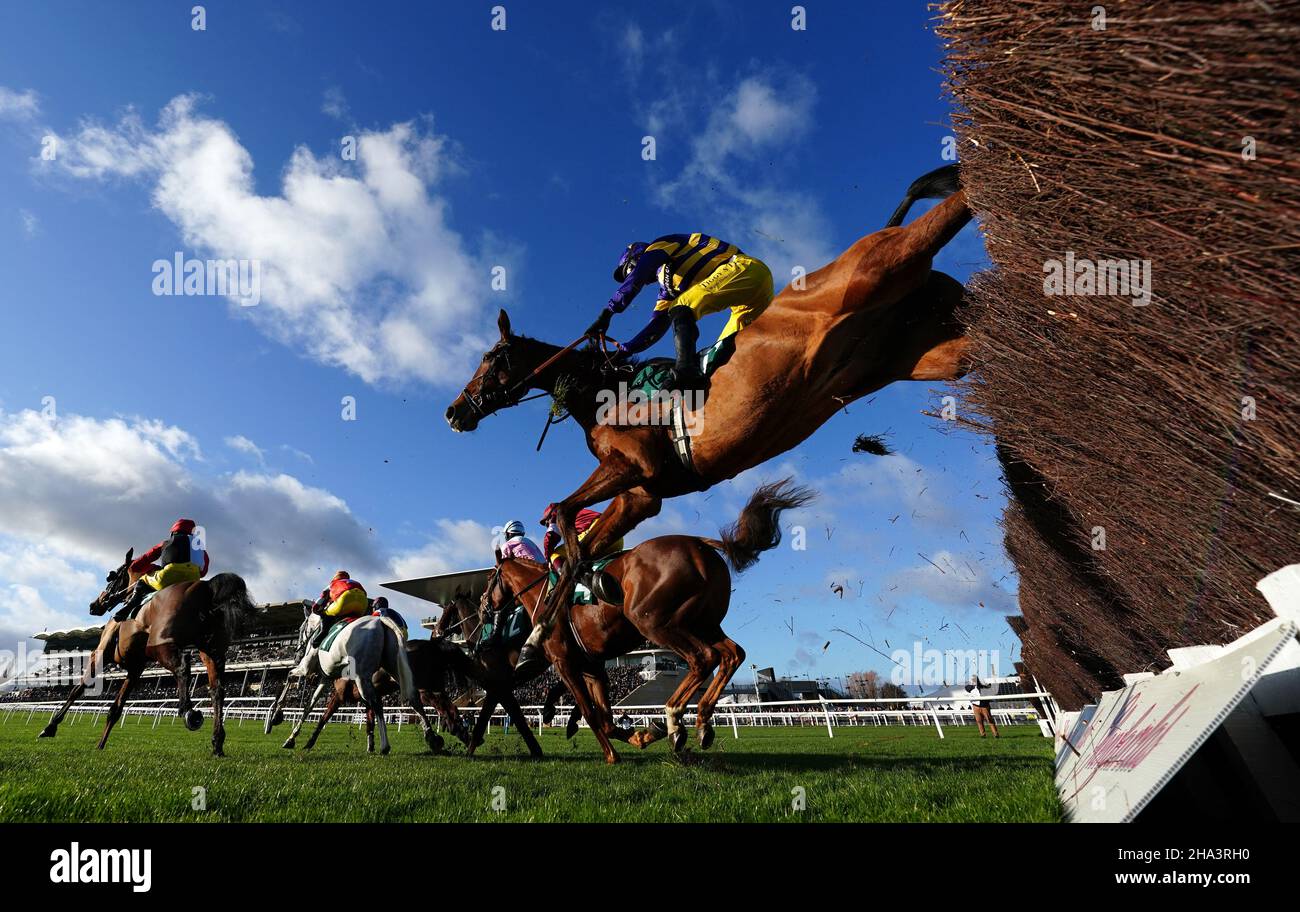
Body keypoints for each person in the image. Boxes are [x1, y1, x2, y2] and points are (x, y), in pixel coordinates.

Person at [586, 233, 774, 391]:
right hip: (752, 298)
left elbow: (638, 276)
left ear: (636, 255)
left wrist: (607, 313)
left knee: (680, 306)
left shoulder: (659, 246)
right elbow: (656, 326)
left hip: (744, 268)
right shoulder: (667, 289)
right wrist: (622, 352)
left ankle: (685, 371)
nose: (629, 275)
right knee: (720, 359)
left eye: (628, 269)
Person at [514, 503, 625, 677]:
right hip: (616, 537)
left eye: (545, 521)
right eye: (544, 523)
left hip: (596, 534)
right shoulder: (578, 512)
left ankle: (582, 577)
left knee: (555, 554)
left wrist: (548, 556)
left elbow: (550, 537)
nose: (545, 525)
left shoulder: (558, 515)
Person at [110, 518, 209, 622]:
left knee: (142, 580)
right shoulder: (200, 548)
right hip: (193, 579)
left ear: (174, 531)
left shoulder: (166, 543)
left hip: (168, 576)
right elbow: (203, 572)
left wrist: (138, 566)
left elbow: (144, 560)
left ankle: (127, 609)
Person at [479, 520, 545, 653]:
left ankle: (495, 635)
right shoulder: (531, 543)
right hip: (543, 579)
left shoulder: (507, 545)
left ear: (508, 534)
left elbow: (501, 570)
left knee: (501, 602)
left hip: (524, 582)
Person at [309, 570, 370, 649]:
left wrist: (315, 609)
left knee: (325, 612)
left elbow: (321, 599)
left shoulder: (333, 584)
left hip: (345, 599)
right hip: (363, 602)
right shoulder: (355, 582)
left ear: (336, 577)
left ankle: (321, 634)